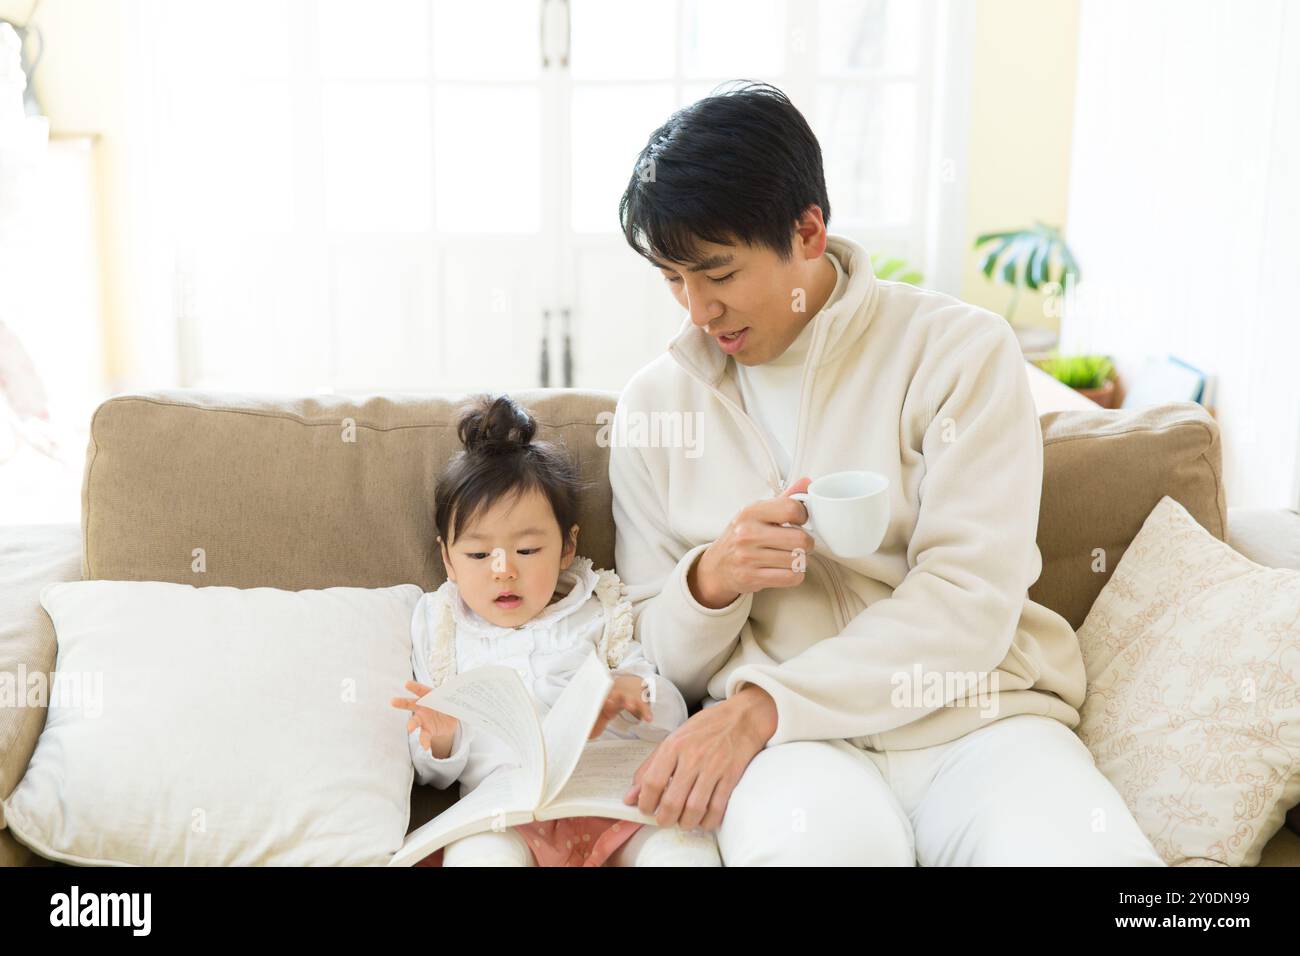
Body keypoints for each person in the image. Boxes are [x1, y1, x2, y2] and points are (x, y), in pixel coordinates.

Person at [608, 81, 1165, 866]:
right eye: (673, 279)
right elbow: (653, 655)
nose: (698, 310)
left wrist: (767, 705)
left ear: (807, 232)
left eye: (719, 273)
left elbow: (969, 599)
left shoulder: (958, 353)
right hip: (793, 756)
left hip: (983, 723)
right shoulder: (653, 407)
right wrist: (709, 583)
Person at [390, 393, 720, 867]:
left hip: (612, 802)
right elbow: (434, 773)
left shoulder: (600, 610)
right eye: (479, 556)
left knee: (679, 852)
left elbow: (670, 717)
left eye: (526, 551)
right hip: (506, 814)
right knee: (482, 857)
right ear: (448, 559)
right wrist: (441, 739)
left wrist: (636, 694)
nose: (503, 571)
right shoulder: (441, 628)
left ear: (566, 548)